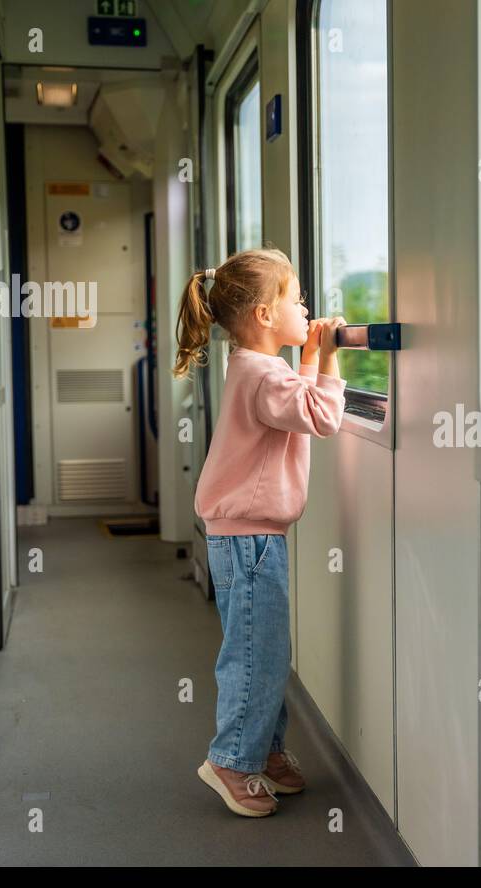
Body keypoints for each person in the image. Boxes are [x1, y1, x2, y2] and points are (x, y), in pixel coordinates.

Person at [172, 247, 347, 817]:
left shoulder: (258, 368)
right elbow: (320, 416)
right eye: (296, 300)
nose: (306, 309)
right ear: (266, 317)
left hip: (251, 536)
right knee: (255, 657)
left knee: (266, 650)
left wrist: (307, 358)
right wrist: (326, 358)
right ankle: (231, 760)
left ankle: (264, 751)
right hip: (247, 539)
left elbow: (295, 406)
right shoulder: (260, 374)